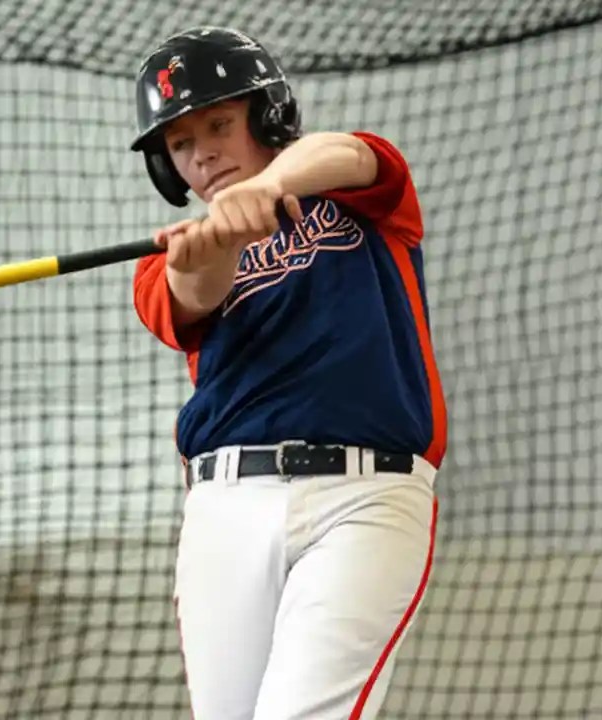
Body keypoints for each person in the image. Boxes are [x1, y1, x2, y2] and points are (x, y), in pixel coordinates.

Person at [128, 27, 447, 719]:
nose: (204, 151)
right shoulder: (168, 260)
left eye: (219, 123)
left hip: (364, 497)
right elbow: (193, 296)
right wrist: (219, 239)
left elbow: (352, 154)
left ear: (266, 114)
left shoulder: (358, 197)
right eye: (181, 143)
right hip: (226, 509)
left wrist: (269, 186)